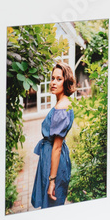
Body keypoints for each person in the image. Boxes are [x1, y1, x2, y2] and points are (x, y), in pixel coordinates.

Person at [31, 61, 75, 209]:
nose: (53, 82)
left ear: (66, 82)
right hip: (51, 158)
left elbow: (56, 147)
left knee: (52, 206)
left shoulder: (62, 108)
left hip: (54, 161)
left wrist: (52, 181)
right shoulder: (63, 103)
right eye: (52, 78)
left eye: (59, 79)